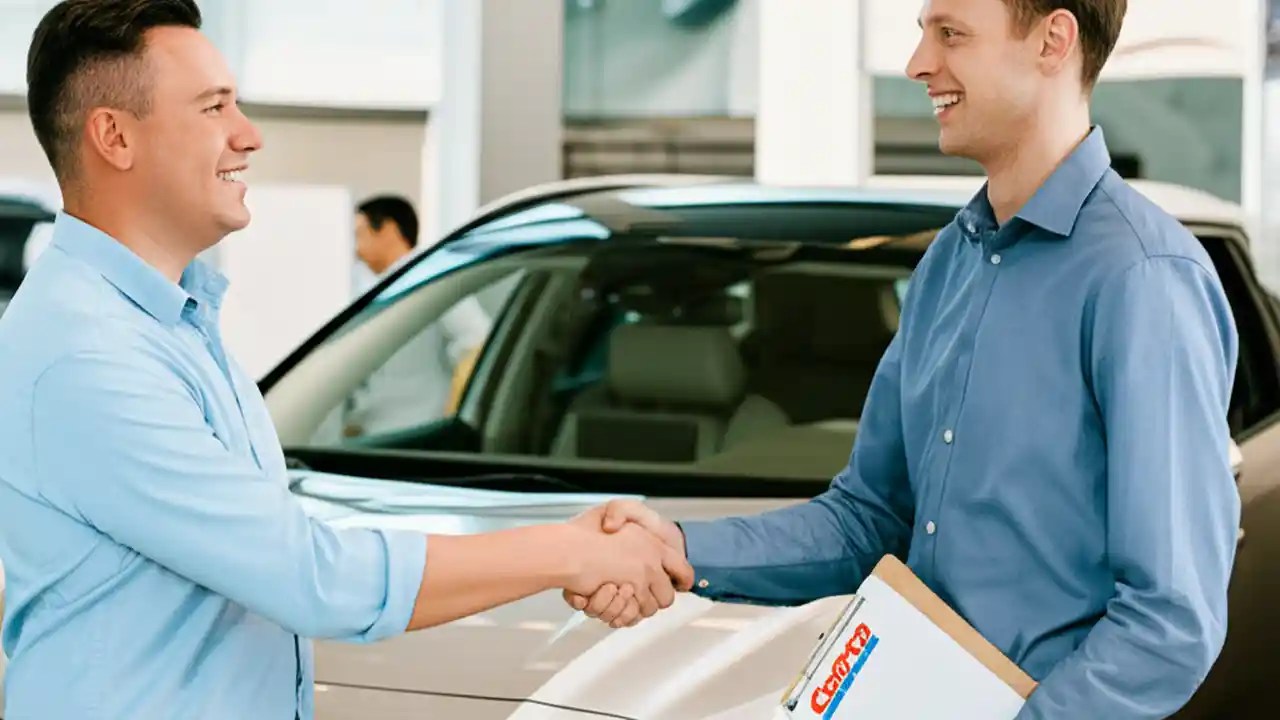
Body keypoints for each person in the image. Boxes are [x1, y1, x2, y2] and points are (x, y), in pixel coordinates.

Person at [0, 2, 691, 718]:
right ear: (114, 136)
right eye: (214, 107)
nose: (249, 134)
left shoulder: (174, 322)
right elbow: (309, 575)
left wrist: (570, 544)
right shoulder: (85, 354)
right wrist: (568, 550)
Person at [569, 0, 1241, 717]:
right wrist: (677, 546)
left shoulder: (1143, 277)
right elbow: (868, 519)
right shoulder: (952, 261)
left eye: (950, 33)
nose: (918, 63)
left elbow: (1170, 623)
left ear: (1054, 40)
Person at [343, 195, 491, 436]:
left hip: (416, 439)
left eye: (361, 234)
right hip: (379, 439)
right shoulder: (385, 290)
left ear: (388, 230)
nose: (357, 250)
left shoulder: (432, 280)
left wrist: (453, 419)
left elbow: (476, 341)